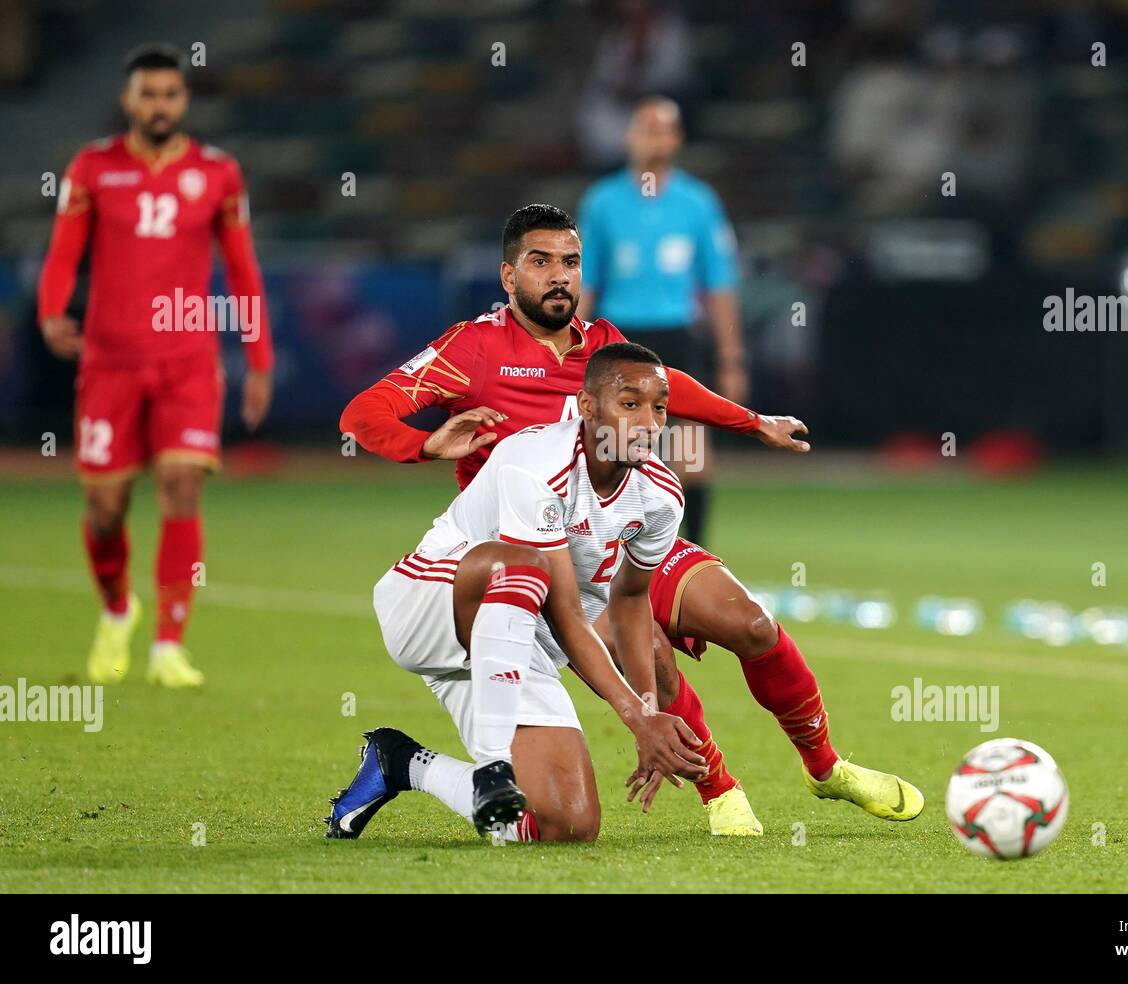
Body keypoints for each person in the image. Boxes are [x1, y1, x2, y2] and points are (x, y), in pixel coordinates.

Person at [338, 204, 924, 836]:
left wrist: (752, 421)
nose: (558, 276)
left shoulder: (605, 348)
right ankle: (718, 790)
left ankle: (826, 767)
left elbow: (665, 383)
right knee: (647, 658)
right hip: (525, 556)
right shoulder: (472, 349)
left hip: (611, 519)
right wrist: (424, 444)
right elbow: (364, 413)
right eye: (541, 263)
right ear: (509, 277)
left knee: (749, 622)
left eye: (570, 263)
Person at [327, 343, 707, 842]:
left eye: (658, 406)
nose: (648, 422)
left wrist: (650, 713)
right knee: (525, 566)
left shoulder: (660, 496)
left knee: (565, 826)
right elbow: (567, 612)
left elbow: (630, 602)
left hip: (513, 646)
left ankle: (400, 764)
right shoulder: (535, 460)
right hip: (431, 604)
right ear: (587, 407)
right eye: (629, 403)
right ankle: (492, 767)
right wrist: (635, 717)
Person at [37, 43, 274, 686]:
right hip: (110, 362)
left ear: (183, 101)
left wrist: (258, 358)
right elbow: (64, 252)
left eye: (171, 94)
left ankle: (169, 643)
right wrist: (52, 310)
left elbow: (243, 269)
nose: (160, 105)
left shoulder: (218, 173)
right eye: (149, 94)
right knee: (105, 508)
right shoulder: (92, 167)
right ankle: (118, 608)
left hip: (188, 361)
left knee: (181, 484)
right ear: (128, 100)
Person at [575, 96, 745, 548]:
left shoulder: (698, 203)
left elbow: (720, 285)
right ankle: (605, 553)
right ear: (629, 135)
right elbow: (586, 279)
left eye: (661, 128)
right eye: (644, 127)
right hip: (620, 337)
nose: (652, 137)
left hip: (677, 338)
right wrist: (568, 347)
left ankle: (694, 557)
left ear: (676, 139)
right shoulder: (603, 202)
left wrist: (731, 358)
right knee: (611, 447)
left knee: (691, 450)